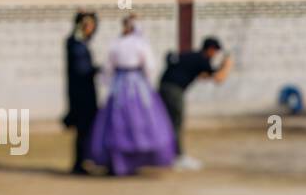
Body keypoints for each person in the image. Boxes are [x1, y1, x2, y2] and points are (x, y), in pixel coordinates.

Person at [89, 16, 176, 177]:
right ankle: (138, 159)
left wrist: (107, 83)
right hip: (138, 84)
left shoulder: (116, 44)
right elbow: (150, 66)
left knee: (116, 123)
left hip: (120, 85)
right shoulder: (140, 44)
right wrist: (149, 85)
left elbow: (108, 68)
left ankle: (119, 161)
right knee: (143, 122)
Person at [158, 37, 233, 171]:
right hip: (174, 91)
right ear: (210, 50)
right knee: (176, 123)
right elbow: (218, 79)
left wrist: (220, 67)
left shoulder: (193, 57)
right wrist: (227, 65)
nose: (215, 55)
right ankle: (178, 157)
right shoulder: (202, 60)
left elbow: (203, 75)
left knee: (168, 123)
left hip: (164, 88)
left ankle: (166, 155)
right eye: (215, 52)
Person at [63, 11, 100, 175]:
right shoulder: (76, 44)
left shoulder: (79, 43)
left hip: (84, 91)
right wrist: (96, 70)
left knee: (85, 128)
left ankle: (83, 160)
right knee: (83, 128)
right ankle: (80, 163)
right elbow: (81, 69)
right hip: (81, 93)